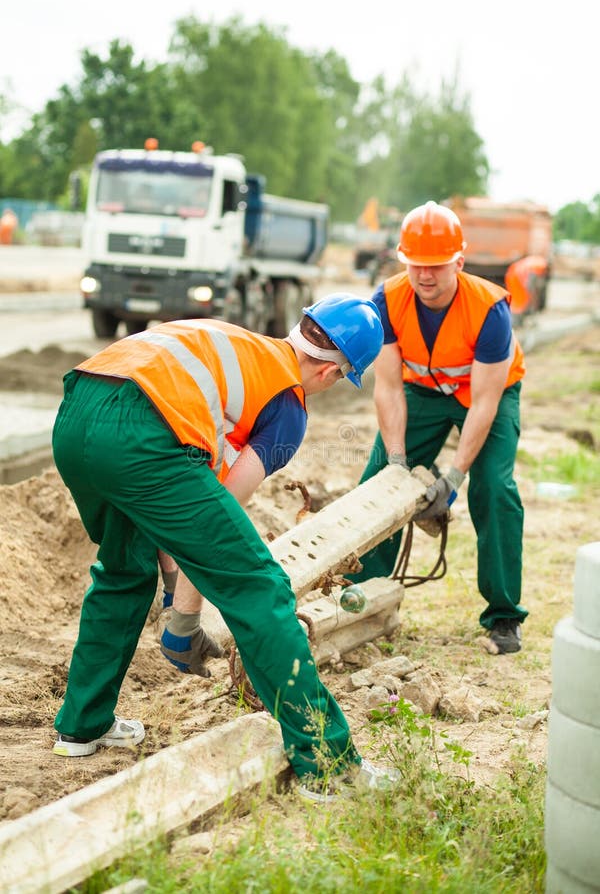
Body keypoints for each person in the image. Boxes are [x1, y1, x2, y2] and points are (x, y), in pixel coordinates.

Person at [50, 292, 400, 800]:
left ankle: (83, 726)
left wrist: (179, 605)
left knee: (124, 568)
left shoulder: (239, 347)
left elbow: (185, 516)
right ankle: (329, 764)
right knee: (260, 589)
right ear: (331, 372)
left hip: (78, 411)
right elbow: (222, 511)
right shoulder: (287, 407)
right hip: (142, 438)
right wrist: (184, 620)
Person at [350, 201, 528, 655]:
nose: (425, 275)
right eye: (416, 264)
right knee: (377, 482)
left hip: (484, 395)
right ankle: (361, 598)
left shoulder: (489, 309)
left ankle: (504, 616)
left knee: (494, 488)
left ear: (459, 262)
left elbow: (484, 403)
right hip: (423, 391)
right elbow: (388, 386)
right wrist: (396, 463)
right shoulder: (387, 300)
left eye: (436, 265)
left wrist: (453, 478)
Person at [505, 255, 549, 319]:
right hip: (518, 279)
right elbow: (531, 286)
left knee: (518, 303)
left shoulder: (519, 266)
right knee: (520, 303)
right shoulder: (540, 265)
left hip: (514, 277)